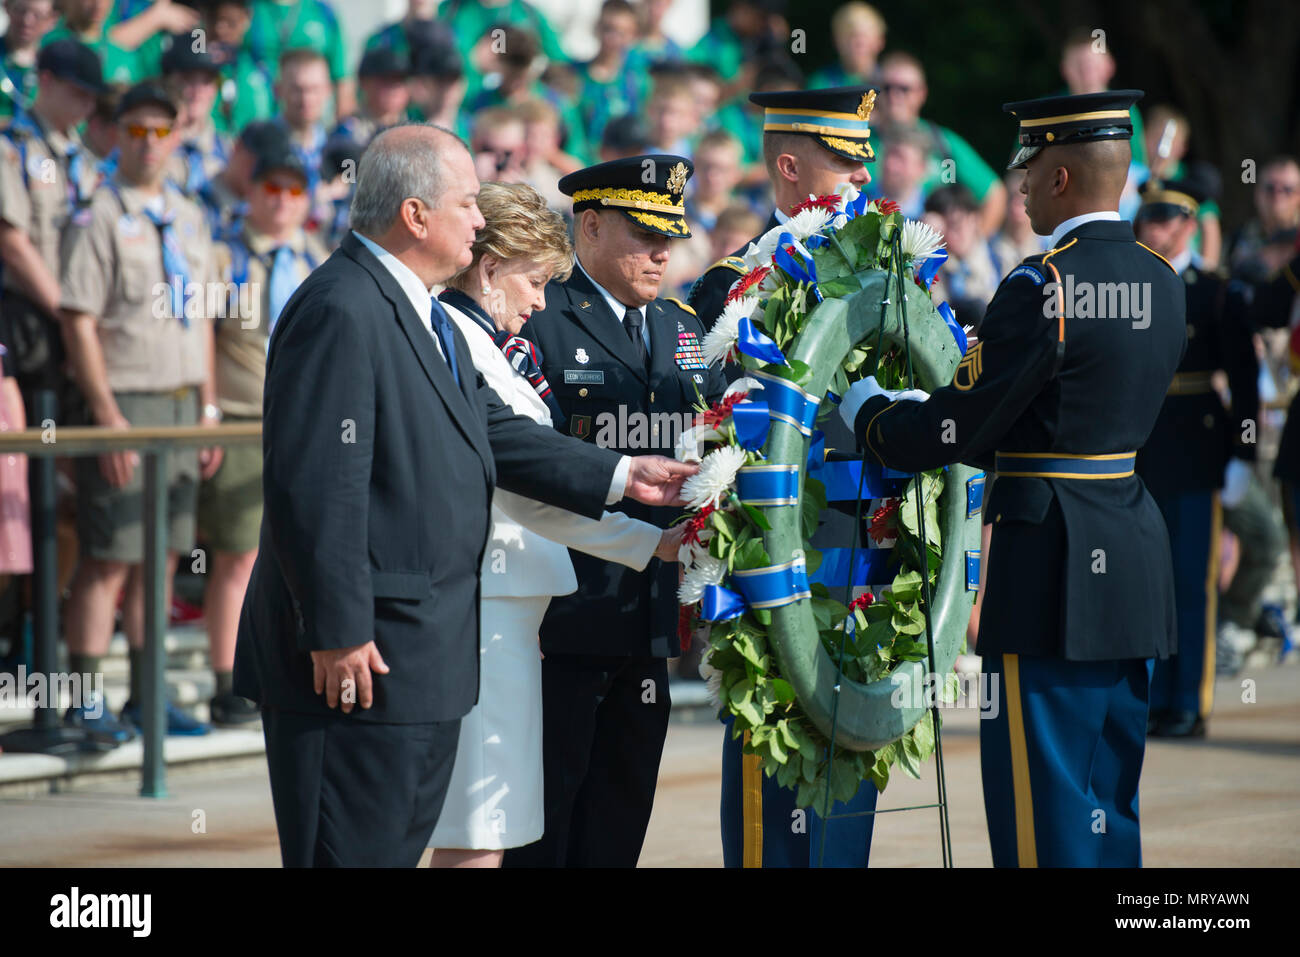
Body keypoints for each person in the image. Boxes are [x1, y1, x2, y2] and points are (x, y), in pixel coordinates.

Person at [231, 123, 695, 868]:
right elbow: (315, 483)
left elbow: (499, 434)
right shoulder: (342, 307)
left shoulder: (413, 310)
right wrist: (338, 628)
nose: (481, 221)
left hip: (415, 653)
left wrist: (622, 474)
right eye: (468, 204)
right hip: (358, 653)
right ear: (416, 216)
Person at [838, 90, 1186, 867]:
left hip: (1052, 561)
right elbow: (1066, 414)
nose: (1018, 184)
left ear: (1060, 179)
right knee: (1109, 798)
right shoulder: (1162, 277)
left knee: (1045, 810)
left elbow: (964, 422)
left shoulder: (1040, 287)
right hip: (1133, 547)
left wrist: (875, 420)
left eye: (1028, 167)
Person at [430, 182, 684, 866]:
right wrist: (630, 481)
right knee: (484, 833)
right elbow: (521, 472)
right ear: (490, 269)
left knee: (501, 828)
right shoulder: (454, 339)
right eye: (535, 280)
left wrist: (652, 542)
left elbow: (533, 496)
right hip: (493, 613)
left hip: (520, 611)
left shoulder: (485, 342)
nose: (541, 300)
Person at [500, 154, 727, 868]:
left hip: (649, 616)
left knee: (620, 814)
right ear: (589, 226)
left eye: (671, 234)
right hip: (559, 616)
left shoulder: (684, 328)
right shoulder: (540, 314)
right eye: (643, 233)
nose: (663, 251)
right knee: (546, 821)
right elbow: (529, 465)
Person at [689, 86, 880, 868]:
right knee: (774, 804)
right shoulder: (735, 287)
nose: (862, 184)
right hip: (776, 565)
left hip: (867, 569)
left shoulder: (894, 278)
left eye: (864, 166)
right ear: (794, 167)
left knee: (846, 795)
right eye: (846, 168)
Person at [59, 81, 224, 744]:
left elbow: (206, 318)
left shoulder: (188, 214)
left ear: (178, 137)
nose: (150, 145)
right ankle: (83, 696)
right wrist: (106, 416)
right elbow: (79, 322)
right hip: (126, 400)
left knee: (162, 555)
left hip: (184, 401)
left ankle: (146, 694)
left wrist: (208, 405)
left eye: (163, 132)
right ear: (117, 135)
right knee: (109, 555)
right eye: (136, 132)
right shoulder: (98, 214)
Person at [1132, 174, 1261, 736]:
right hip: (1142, 448)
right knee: (1146, 581)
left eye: (1166, 219)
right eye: (1149, 219)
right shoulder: (1130, 284)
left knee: (1190, 580)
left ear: (1189, 224)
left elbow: (1246, 379)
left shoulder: (1215, 291)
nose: (1155, 229)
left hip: (1199, 445)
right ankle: (1154, 697)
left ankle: (1190, 700)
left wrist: (1243, 454)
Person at [201, 148, 324, 727]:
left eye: (294, 191)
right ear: (250, 192)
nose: (282, 202)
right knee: (235, 553)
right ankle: (227, 681)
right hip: (244, 417)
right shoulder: (225, 255)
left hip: (304, 426)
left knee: (293, 547)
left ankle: (283, 663)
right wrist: (207, 407)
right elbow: (203, 332)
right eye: (271, 189)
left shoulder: (316, 258)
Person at [689, 86, 872, 333]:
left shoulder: (873, 267)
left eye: (863, 162)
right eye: (844, 161)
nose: (864, 175)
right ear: (791, 168)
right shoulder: (732, 282)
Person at [0, 38, 101, 425]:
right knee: (41, 440)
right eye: (78, 92)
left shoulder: (84, 160)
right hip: (34, 320)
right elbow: (12, 244)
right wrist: (66, 316)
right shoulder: (13, 148)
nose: (87, 105)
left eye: (92, 97)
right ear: (46, 80)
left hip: (79, 323)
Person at [873, 51, 1005, 237]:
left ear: (922, 94)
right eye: (886, 88)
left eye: (904, 89)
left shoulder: (943, 143)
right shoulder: (859, 142)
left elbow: (994, 195)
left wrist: (969, 247)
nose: (894, 96)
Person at [243, 0, 352, 117]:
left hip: (310, 118)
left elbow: (342, 77)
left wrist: (343, 124)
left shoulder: (321, 11)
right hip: (258, 116)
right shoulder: (249, 8)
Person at [160, 37, 228, 199]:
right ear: (169, 81)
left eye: (206, 81)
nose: (197, 92)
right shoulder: (153, 142)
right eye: (188, 79)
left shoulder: (227, 150)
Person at [204, 0, 275, 136]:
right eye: (214, 19)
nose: (220, 29)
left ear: (247, 18)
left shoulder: (260, 73)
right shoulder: (189, 72)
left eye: (231, 22)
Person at [332, 47, 410, 151]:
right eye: (385, 80)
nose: (394, 88)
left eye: (400, 80)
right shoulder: (347, 134)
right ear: (364, 82)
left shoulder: (417, 130)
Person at [0, 0, 58, 119]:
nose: (27, 21)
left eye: (37, 15)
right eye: (20, 10)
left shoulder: (54, 68)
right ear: (6, 7)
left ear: (52, 19)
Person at [807, 1, 885, 89]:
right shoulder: (820, 82)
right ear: (836, 41)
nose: (859, 42)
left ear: (880, 41)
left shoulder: (892, 85)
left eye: (865, 36)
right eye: (850, 36)